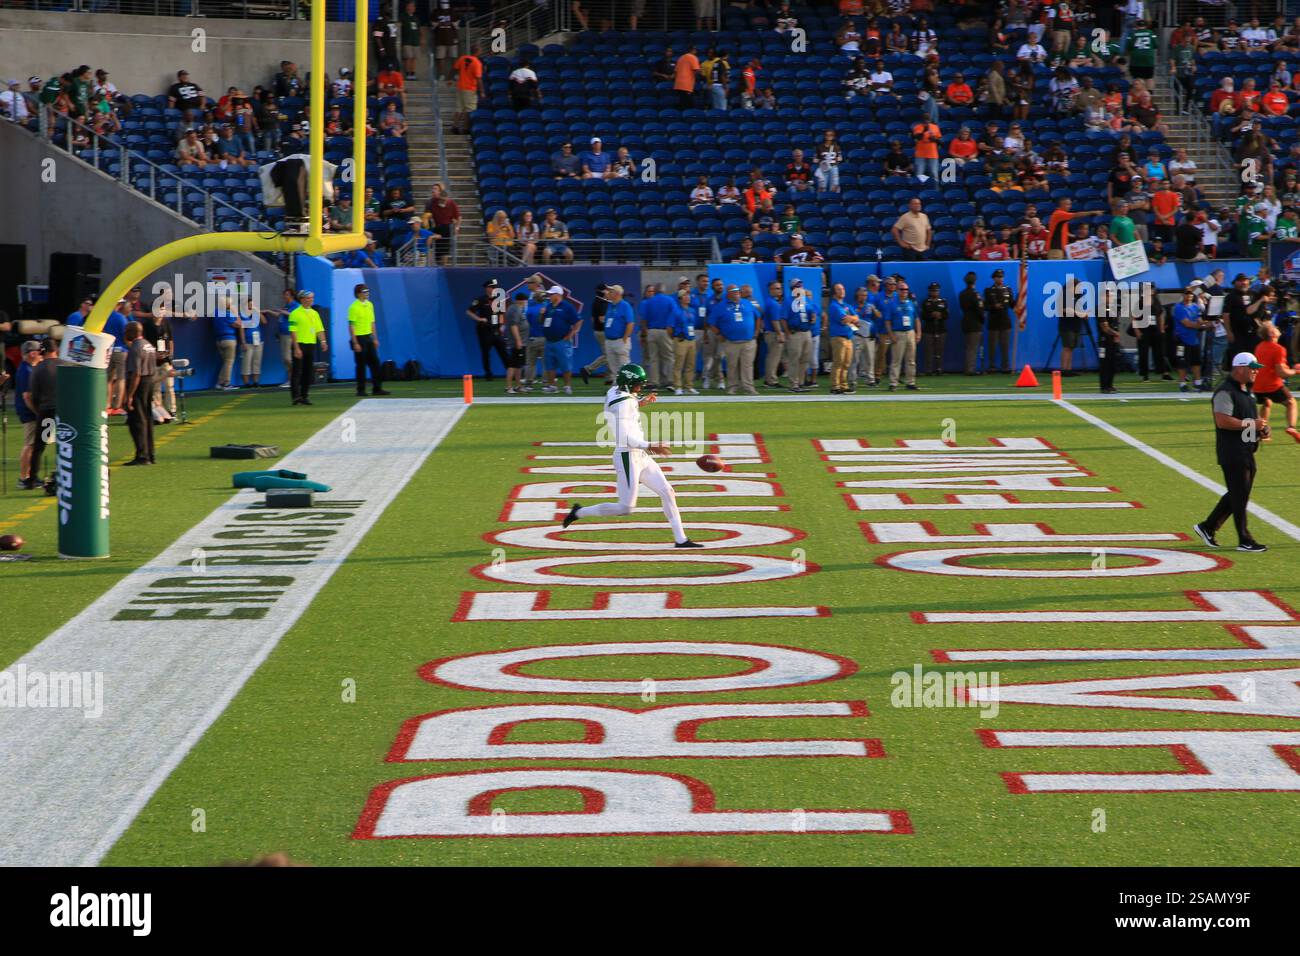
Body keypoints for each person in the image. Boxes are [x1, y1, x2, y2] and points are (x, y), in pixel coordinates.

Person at [562, 363, 701, 548]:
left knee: (667, 491)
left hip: (639, 454)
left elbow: (625, 404)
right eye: (637, 385)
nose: (640, 388)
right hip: (628, 455)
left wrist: (640, 402)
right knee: (626, 508)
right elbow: (623, 436)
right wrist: (650, 445)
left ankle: (681, 539)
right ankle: (579, 512)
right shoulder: (624, 403)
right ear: (627, 384)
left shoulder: (616, 391)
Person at [1194, 353, 1269, 553]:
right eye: (1252, 367)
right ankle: (1245, 539)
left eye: (1256, 367)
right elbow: (1223, 421)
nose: (1256, 370)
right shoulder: (1225, 392)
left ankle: (1208, 527)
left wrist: (1260, 430)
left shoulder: (1247, 391)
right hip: (1232, 451)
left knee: (1238, 493)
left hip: (1245, 449)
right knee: (1240, 495)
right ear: (1238, 368)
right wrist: (1252, 424)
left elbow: (1246, 420)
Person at [1253, 321, 1300, 441]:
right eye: (1274, 327)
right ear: (1272, 333)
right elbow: (1281, 373)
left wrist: (1289, 369)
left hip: (1258, 385)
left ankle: (1263, 433)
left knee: (1266, 403)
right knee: (1291, 403)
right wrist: (1295, 371)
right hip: (1272, 385)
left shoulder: (1259, 346)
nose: (1277, 328)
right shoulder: (1278, 349)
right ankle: (1291, 427)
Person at [713, 284, 761, 396]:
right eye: (734, 290)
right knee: (732, 365)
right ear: (728, 293)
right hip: (731, 342)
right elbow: (711, 322)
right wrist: (719, 334)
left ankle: (749, 388)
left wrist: (756, 332)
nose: (737, 292)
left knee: (748, 365)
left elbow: (758, 317)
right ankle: (732, 388)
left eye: (738, 290)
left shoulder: (747, 303)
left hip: (749, 341)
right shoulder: (721, 306)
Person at [122, 321, 158, 466]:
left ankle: (142, 455)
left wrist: (129, 395)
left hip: (139, 383)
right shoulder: (148, 345)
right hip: (149, 381)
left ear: (131, 332)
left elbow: (136, 373)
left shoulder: (135, 348)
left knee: (137, 420)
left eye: (126, 330)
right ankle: (150, 453)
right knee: (147, 418)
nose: (124, 333)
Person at [26, 339, 59, 486]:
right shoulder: (65, 365)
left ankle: (32, 478)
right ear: (56, 349)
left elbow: (34, 395)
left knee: (39, 446)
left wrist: (38, 411)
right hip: (65, 412)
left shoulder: (38, 369)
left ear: (42, 351)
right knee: (68, 442)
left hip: (46, 412)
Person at [539, 285, 582, 395]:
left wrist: (570, 335)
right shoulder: (548, 307)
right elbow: (541, 321)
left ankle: (567, 386)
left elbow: (578, 321)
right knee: (549, 364)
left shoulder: (567, 307)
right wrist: (542, 314)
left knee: (565, 364)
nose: (549, 296)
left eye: (551, 294)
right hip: (549, 341)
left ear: (558, 295)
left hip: (561, 341)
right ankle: (552, 386)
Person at [348, 284, 389, 397]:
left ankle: (377, 388)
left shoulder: (370, 305)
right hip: (359, 337)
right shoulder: (354, 307)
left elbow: (372, 323)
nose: (367, 293)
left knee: (375, 363)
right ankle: (360, 390)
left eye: (367, 291)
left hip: (369, 337)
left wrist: (375, 338)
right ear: (358, 293)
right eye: (364, 291)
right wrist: (355, 342)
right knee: (360, 365)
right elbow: (351, 326)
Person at [14, 341, 44, 489]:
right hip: (29, 414)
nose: (41, 354)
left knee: (32, 445)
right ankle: (24, 477)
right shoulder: (27, 371)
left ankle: (30, 475)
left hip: (29, 412)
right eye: (39, 351)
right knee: (30, 445)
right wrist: (38, 413)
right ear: (32, 353)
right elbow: (27, 396)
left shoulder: (27, 368)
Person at [289, 290, 327, 406]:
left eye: (312, 298)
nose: (311, 300)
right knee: (297, 371)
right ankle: (296, 397)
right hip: (299, 344)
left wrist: (323, 341)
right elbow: (293, 332)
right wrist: (296, 348)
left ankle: (304, 396)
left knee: (307, 372)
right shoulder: (295, 313)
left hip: (311, 344)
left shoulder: (315, 313)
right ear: (302, 299)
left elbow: (319, 329)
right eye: (308, 298)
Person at [884, 279, 921, 391]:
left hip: (910, 332)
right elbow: (887, 320)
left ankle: (911, 382)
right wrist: (891, 334)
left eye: (906, 289)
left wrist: (918, 333)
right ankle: (893, 383)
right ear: (897, 290)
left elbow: (916, 318)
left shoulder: (910, 303)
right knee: (896, 359)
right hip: (898, 333)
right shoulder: (891, 303)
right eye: (902, 289)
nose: (904, 291)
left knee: (911, 360)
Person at [826, 283, 860, 394]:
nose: (842, 291)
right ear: (834, 293)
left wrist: (852, 318)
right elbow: (844, 319)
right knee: (838, 362)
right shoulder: (834, 306)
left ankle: (843, 385)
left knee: (846, 363)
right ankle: (835, 386)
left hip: (848, 336)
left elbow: (857, 317)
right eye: (839, 289)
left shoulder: (846, 305)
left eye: (843, 288)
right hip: (838, 337)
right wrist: (852, 318)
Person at [579, 282, 610, 386]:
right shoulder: (600, 302)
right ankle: (587, 369)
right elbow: (602, 319)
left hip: (598, 331)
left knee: (608, 354)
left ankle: (609, 377)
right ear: (602, 291)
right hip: (602, 331)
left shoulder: (597, 301)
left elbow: (593, 319)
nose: (608, 291)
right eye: (606, 290)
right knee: (608, 355)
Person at [601, 283, 635, 380]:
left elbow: (630, 323)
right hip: (609, 341)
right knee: (613, 367)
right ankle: (617, 387)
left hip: (620, 340)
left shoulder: (625, 306)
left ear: (617, 294)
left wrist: (625, 338)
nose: (609, 293)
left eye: (611, 292)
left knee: (624, 366)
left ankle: (627, 386)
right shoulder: (611, 306)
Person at [984, 269, 1014, 373]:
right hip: (994, 321)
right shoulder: (989, 290)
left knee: (1005, 346)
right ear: (994, 278)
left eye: (1001, 277)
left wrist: (1019, 300)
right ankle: (992, 366)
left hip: (1005, 321)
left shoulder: (1008, 290)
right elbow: (985, 306)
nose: (1000, 279)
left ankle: (1005, 366)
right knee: (992, 346)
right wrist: (993, 306)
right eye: (998, 277)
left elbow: (1012, 305)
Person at [670, 287, 699, 396]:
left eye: (688, 295)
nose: (688, 297)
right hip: (680, 340)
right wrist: (675, 337)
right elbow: (670, 327)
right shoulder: (676, 311)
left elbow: (692, 324)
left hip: (691, 339)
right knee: (679, 364)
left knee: (691, 364)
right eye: (685, 296)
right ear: (680, 298)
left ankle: (689, 386)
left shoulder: (692, 310)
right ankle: (677, 386)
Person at [503, 291, 529, 396]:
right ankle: (509, 387)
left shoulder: (512, 308)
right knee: (513, 365)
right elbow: (514, 326)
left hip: (520, 341)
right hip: (517, 342)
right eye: (525, 301)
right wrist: (518, 340)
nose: (526, 303)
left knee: (518, 365)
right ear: (522, 301)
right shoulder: (517, 309)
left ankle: (518, 386)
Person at [959, 271, 985, 374]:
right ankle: (970, 369)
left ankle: (968, 367)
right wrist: (983, 319)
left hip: (966, 321)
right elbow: (980, 310)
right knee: (973, 347)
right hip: (975, 323)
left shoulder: (962, 294)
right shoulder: (976, 295)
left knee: (968, 346)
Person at [920, 282, 948, 376]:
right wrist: (931, 315)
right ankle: (929, 370)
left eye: (936, 290)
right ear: (929, 291)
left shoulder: (943, 302)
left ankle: (939, 369)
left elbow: (947, 315)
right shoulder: (925, 302)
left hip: (940, 329)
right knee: (928, 351)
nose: (934, 292)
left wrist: (941, 315)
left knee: (940, 350)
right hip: (928, 329)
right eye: (933, 290)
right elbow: (922, 315)